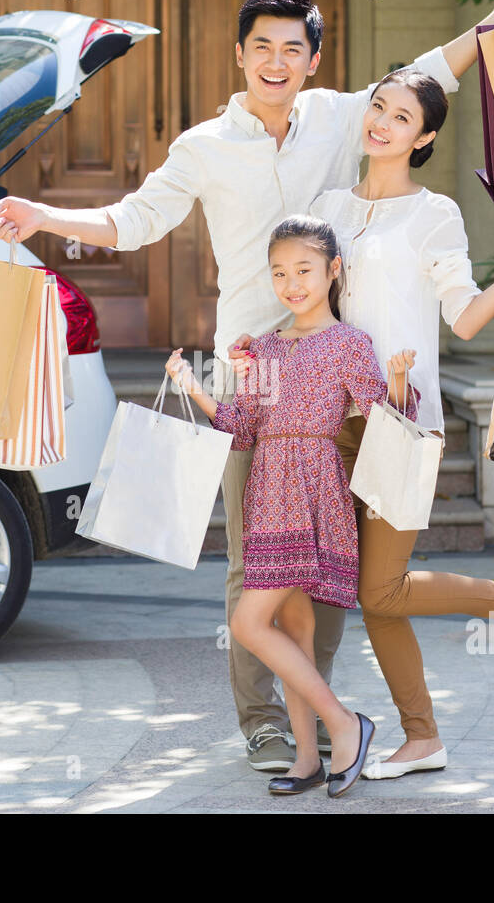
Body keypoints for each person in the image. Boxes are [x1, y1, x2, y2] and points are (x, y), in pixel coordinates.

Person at [0, 0, 494, 771]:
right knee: (255, 560)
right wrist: (44, 216)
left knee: (329, 559)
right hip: (251, 371)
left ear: (314, 58)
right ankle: (262, 721)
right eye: (263, 47)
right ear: (241, 54)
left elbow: (424, 81)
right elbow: (133, 220)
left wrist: (493, 21)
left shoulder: (338, 118)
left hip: (337, 370)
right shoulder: (202, 147)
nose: (277, 61)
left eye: (294, 48)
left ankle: (317, 709)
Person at [232, 67, 494, 779]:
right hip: (330, 427)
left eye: (401, 118)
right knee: (357, 591)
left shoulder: (435, 214)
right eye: (379, 107)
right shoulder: (329, 203)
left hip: (399, 419)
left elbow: (465, 313)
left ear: (423, 138)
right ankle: (421, 738)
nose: (382, 123)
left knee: (379, 588)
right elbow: (306, 290)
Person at [165, 215, 418, 796]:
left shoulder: (349, 343)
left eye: (303, 270)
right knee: (295, 629)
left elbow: (384, 418)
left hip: (316, 488)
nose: (291, 283)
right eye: (279, 273)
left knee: (249, 621)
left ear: (332, 271)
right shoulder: (267, 348)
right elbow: (239, 430)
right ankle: (307, 757)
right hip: (269, 489)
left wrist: (400, 380)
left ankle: (344, 725)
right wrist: (194, 383)